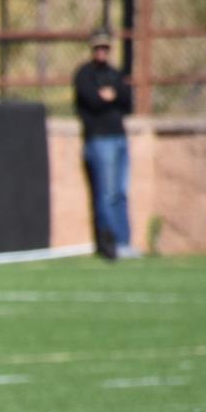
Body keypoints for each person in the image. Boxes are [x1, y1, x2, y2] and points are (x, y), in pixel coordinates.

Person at [73, 29, 134, 260]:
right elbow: (91, 100)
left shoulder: (115, 74)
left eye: (105, 48)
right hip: (98, 138)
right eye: (98, 47)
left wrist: (113, 95)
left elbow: (127, 101)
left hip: (118, 136)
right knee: (106, 193)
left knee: (120, 192)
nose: (102, 52)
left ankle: (124, 241)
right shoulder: (85, 74)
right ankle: (109, 245)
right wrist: (107, 97)